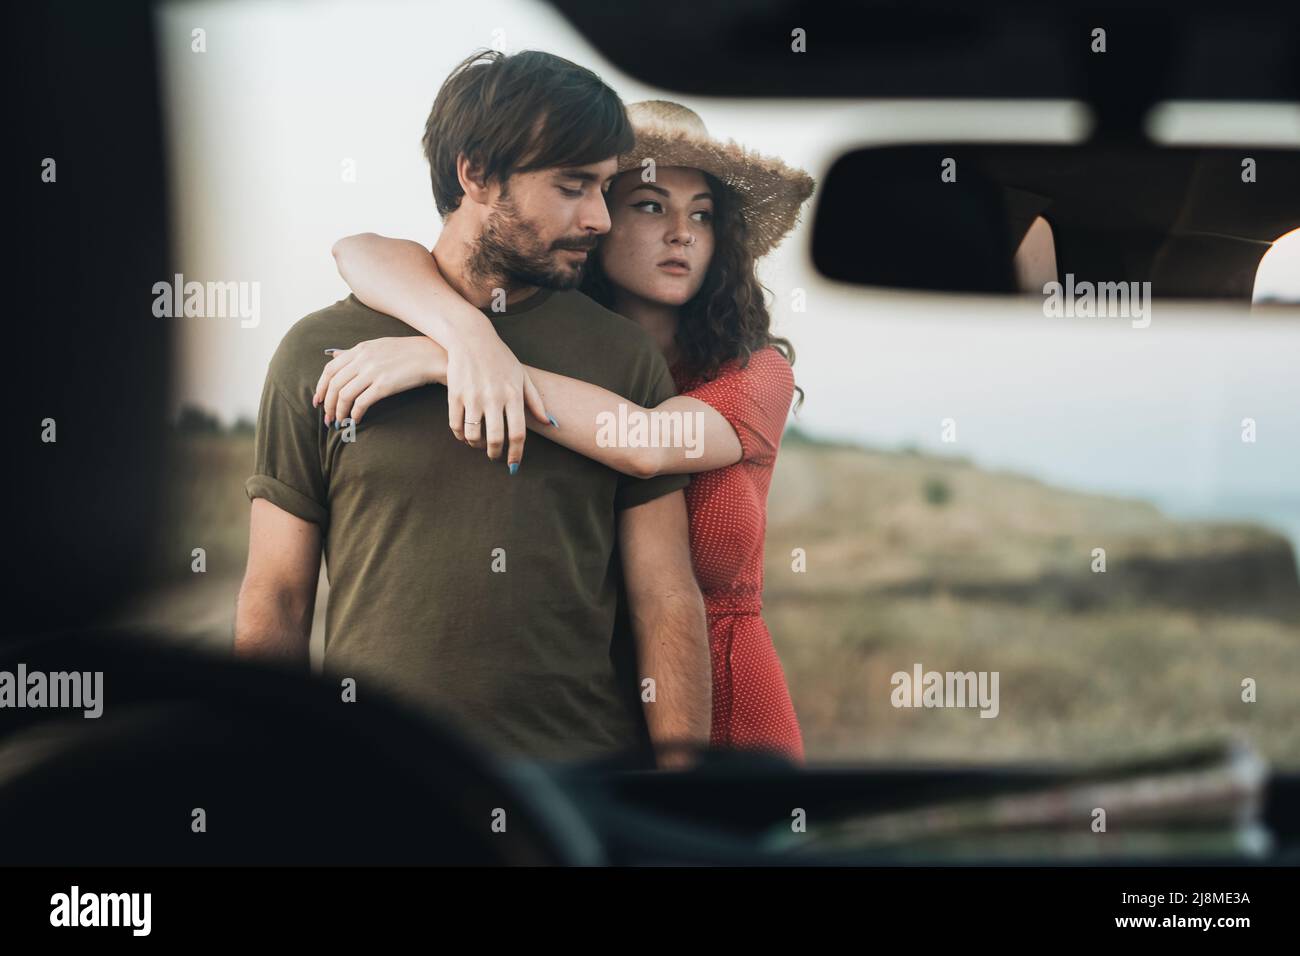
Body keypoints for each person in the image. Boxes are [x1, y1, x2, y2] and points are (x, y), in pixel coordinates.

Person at [235, 50, 712, 771]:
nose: (598, 217)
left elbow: (666, 597)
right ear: (476, 173)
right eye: (572, 186)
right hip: (377, 781)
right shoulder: (320, 350)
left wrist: (684, 782)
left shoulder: (622, 358)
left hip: (577, 784)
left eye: (606, 188)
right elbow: (276, 595)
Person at [317, 98, 816, 763]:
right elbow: (358, 251)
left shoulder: (755, 374)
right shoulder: (551, 350)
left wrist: (448, 360)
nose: (682, 233)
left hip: (723, 711)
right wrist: (466, 335)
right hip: (589, 716)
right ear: (596, 219)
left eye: (702, 214)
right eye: (649, 205)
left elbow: (644, 444)